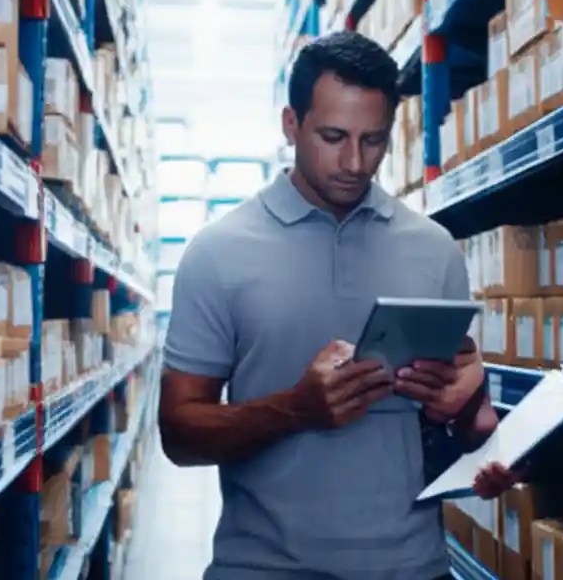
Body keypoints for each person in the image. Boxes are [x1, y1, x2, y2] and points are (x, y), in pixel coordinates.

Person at [159, 31, 519, 579]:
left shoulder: (433, 249)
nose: (354, 161)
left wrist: (471, 424)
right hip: (263, 568)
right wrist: (296, 409)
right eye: (333, 136)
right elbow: (178, 434)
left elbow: (459, 428)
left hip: (413, 567)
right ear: (290, 123)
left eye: (373, 140)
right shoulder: (218, 254)